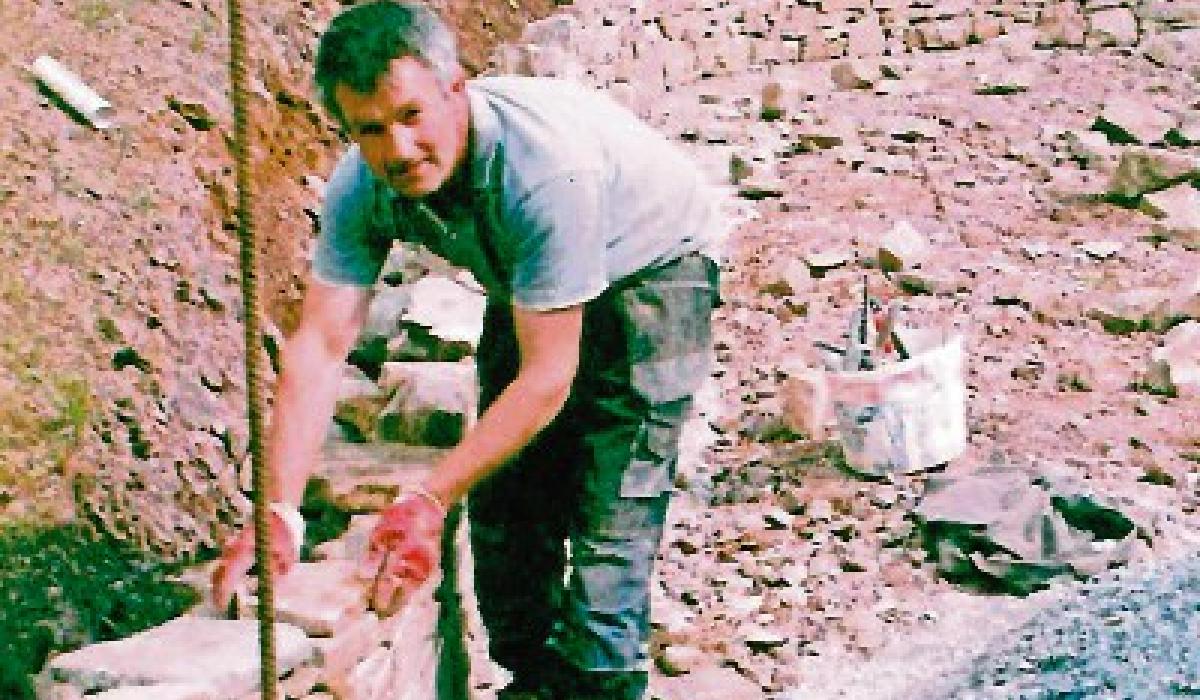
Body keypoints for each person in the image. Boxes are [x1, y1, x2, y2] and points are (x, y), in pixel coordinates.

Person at [213, 2, 725, 698]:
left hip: (652, 271)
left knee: (613, 504)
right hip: (534, 277)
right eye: (370, 129)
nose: (396, 149)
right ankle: (534, 677)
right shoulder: (361, 186)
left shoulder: (543, 174)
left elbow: (548, 379)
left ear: (455, 89)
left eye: (410, 115)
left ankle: (604, 681)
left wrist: (426, 496)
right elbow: (322, 343)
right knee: (507, 501)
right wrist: (279, 512)